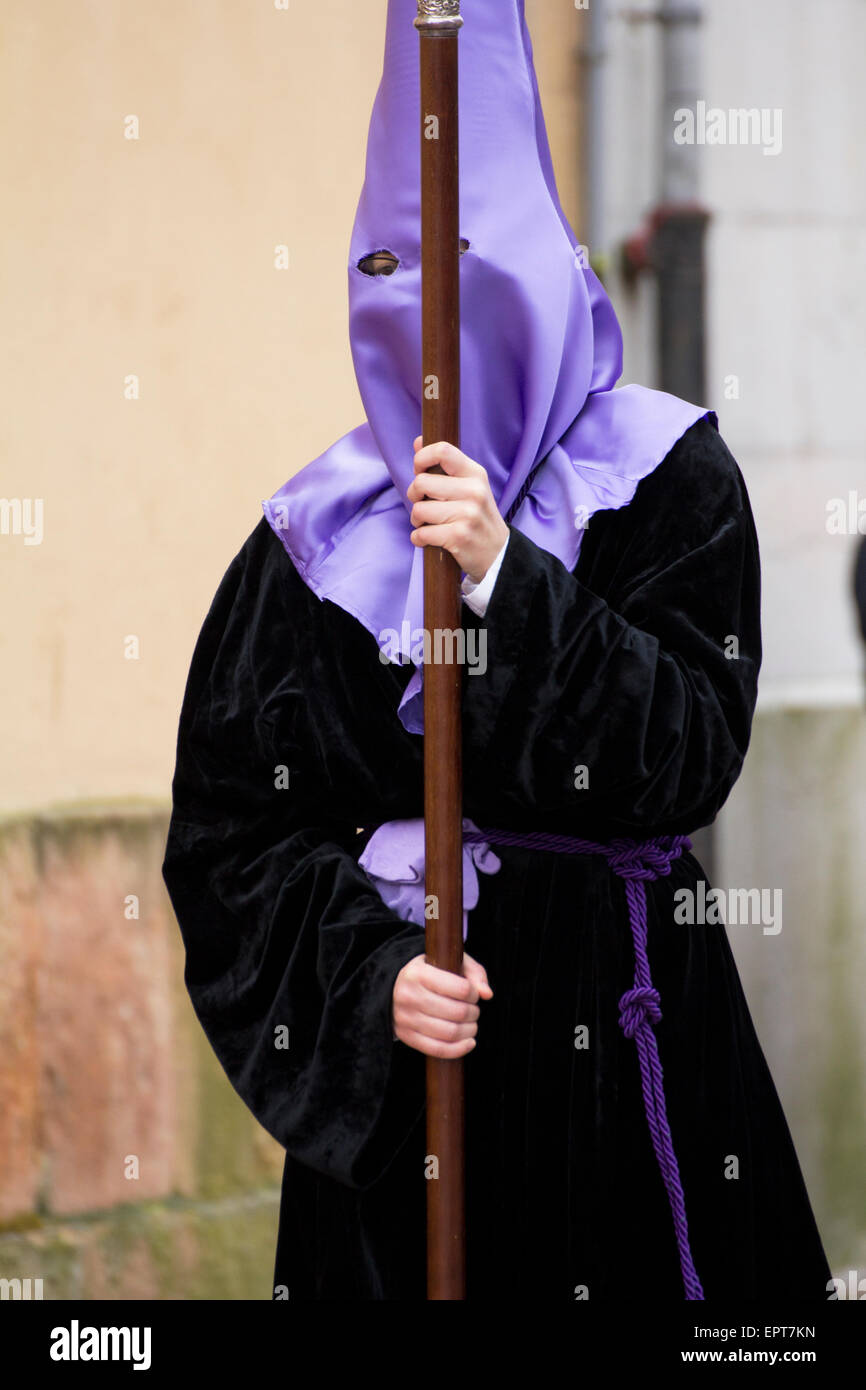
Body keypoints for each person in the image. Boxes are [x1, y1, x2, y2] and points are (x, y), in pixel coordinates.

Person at [162, 0, 831, 1300]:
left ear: (549, 274)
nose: (430, 332)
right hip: (413, 1108)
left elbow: (687, 752)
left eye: (474, 281)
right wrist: (369, 989)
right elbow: (230, 838)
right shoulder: (314, 535)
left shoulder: (664, 478)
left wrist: (506, 583)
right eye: (391, 285)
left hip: (621, 1063)